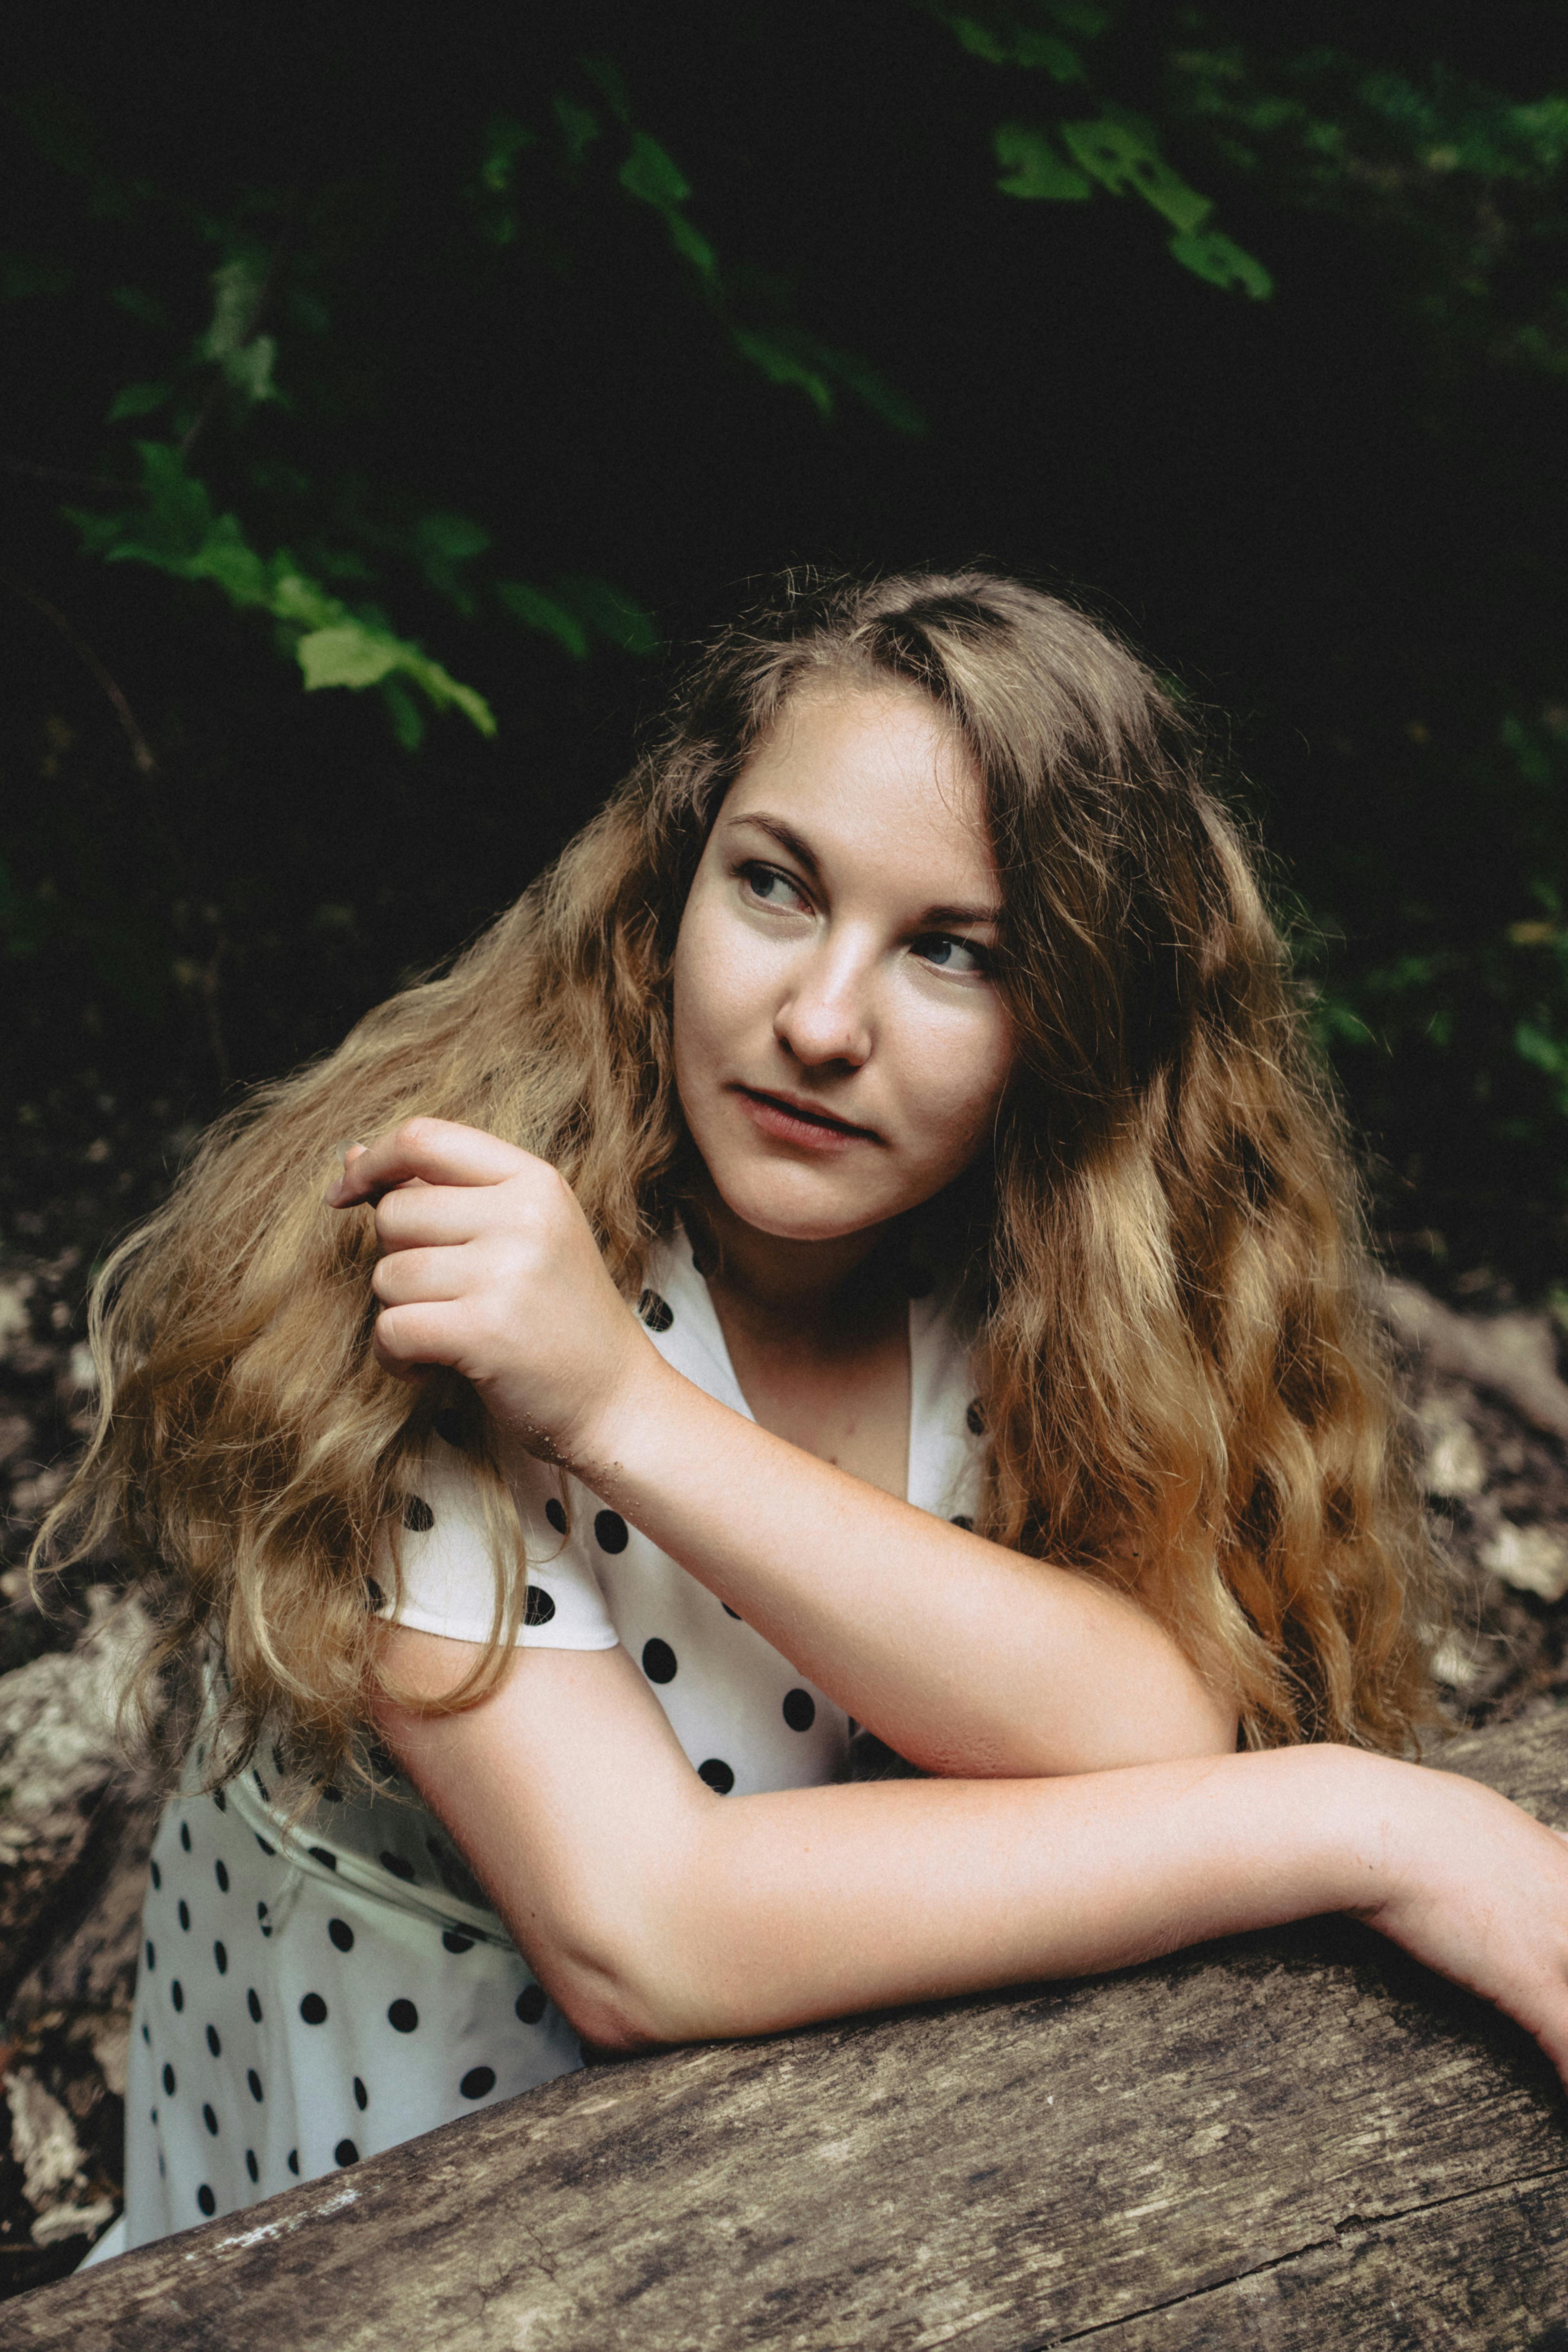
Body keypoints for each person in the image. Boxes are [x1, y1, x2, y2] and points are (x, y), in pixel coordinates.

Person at [42, 567, 1568, 2259]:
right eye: (777, 886)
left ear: (1064, 1025)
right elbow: (640, 1934)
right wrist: (1380, 1829)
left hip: (794, 2209)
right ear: (669, 886)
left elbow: (1144, 1734)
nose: (821, 1024)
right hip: (361, 2265)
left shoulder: (1012, 1303)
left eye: (950, 953)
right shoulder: (438, 1265)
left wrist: (631, 1421)